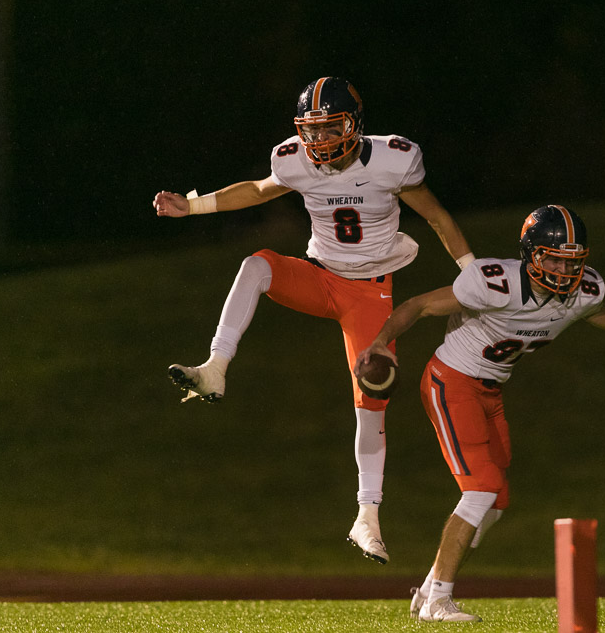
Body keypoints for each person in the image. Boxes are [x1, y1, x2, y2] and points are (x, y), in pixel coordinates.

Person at [153, 76, 474, 566]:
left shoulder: (394, 157)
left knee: (371, 403)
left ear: (355, 123)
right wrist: (193, 205)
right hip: (320, 277)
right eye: (312, 130)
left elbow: (436, 216)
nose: (320, 141)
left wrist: (472, 275)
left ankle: (368, 517)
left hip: (369, 292)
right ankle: (215, 367)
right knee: (257, 264)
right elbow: (260, 191)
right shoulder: (294, 158)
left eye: (330, 128)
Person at [355, 204, 605, 622]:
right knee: (481, 487)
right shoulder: (495, 283)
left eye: (573, 261)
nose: (565, 270)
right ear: (531, 254)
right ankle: (438, 599)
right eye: (554, 258)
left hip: (491, 391)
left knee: (497, 499)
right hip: (451, 381)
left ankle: (430, 586)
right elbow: (420, 305)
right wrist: (382, 339)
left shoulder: (583, 294)